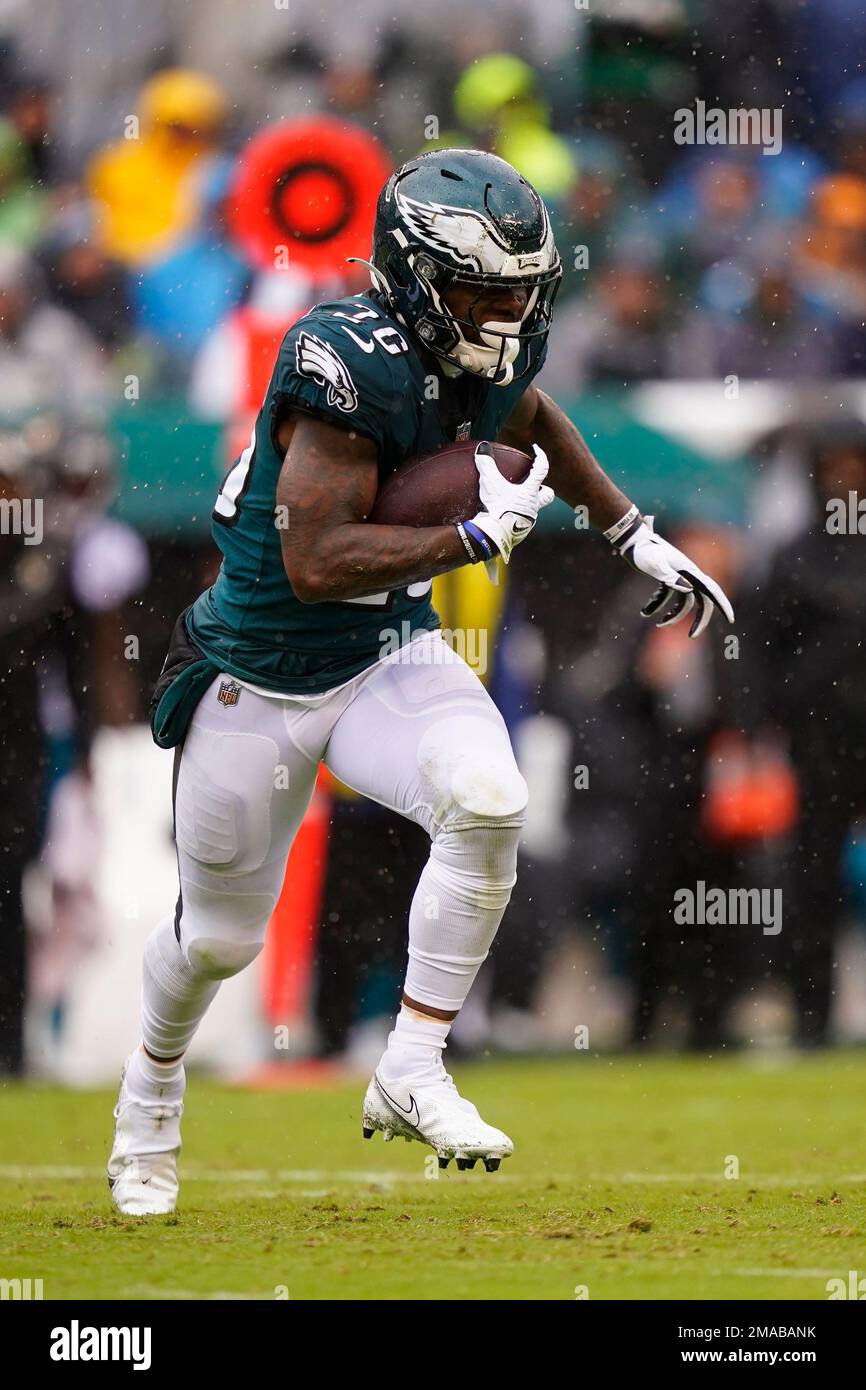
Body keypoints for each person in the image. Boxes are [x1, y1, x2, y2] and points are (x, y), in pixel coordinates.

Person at [107, 148, 733, 1214]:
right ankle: (148, 1103)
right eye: (484, 287)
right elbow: (315, 560)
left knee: (489, 797)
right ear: (416, 273)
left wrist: (628, 531)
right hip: (258, 674)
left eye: (520, 289)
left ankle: (410, 1061)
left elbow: (530, 417)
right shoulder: (341, 361)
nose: (506, 310)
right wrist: (469, 536)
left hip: (382, 654)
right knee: (217, 936)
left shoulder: (488, 346)